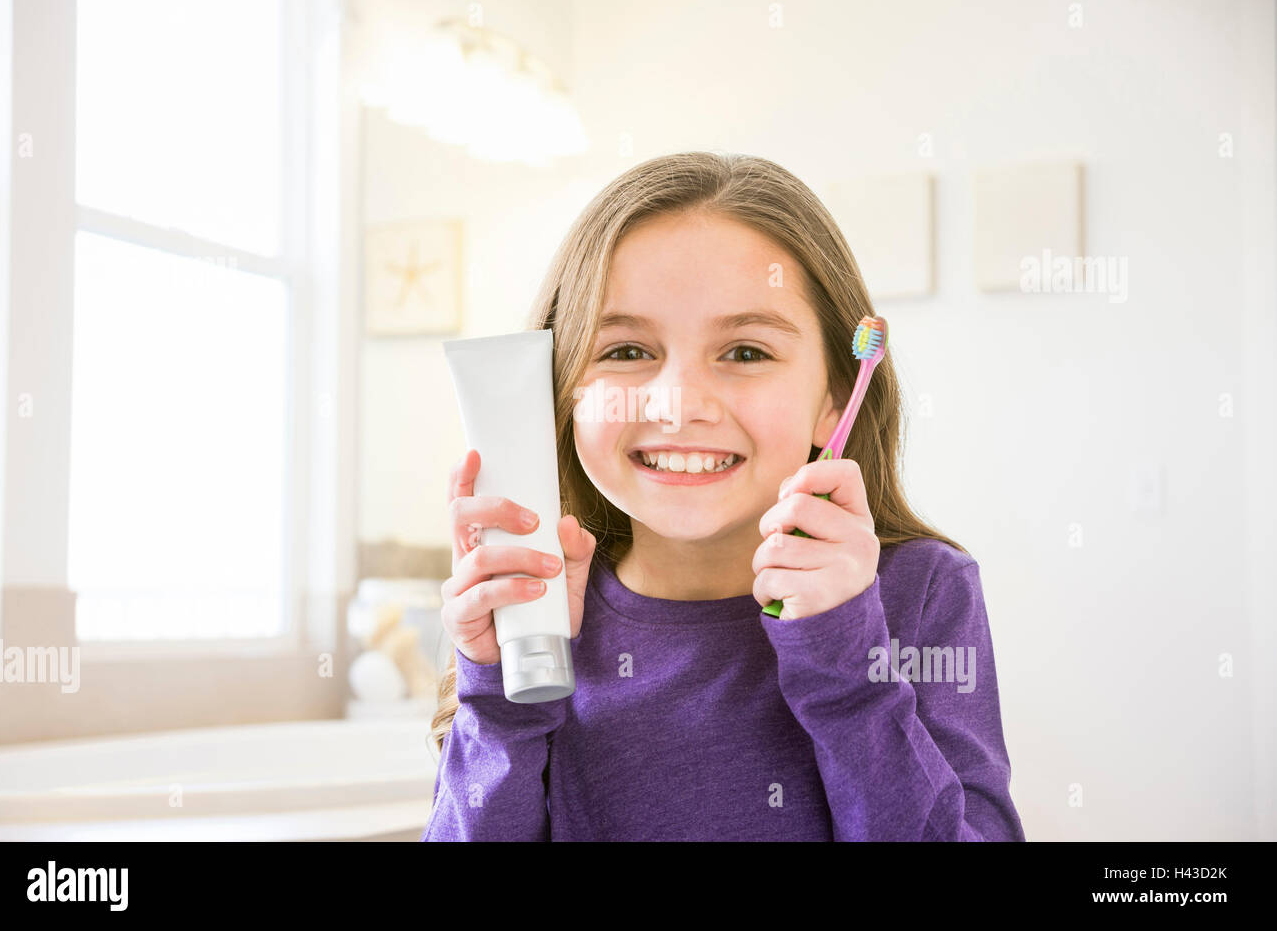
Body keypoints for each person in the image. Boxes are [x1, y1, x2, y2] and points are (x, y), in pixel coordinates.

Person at [421, 151, 1025, 841]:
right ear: (562, 389)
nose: (680, 406)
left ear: (835, 398)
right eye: (625, 351)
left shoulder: (922, 591)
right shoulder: (537, 619)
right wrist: (502, 702)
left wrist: (845, 663)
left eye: (745, 352)